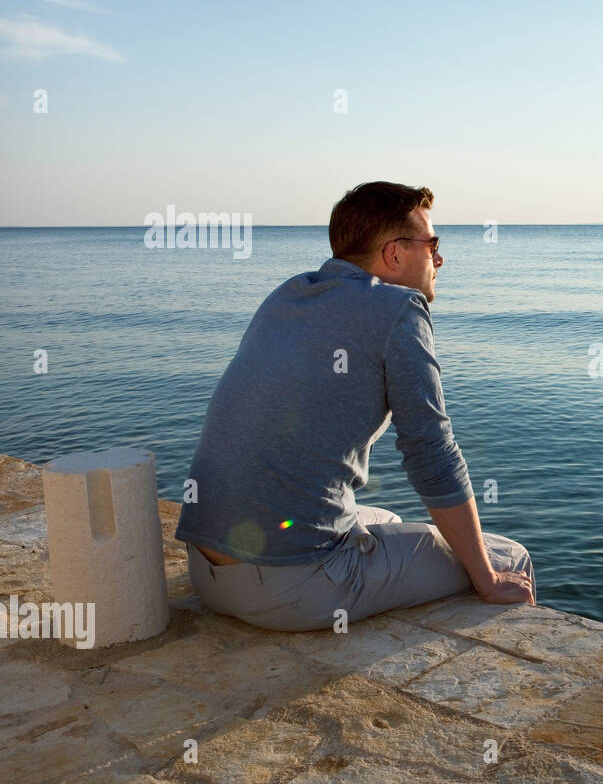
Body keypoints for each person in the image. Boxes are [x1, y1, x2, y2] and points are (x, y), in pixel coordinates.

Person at [174, 181, 534, 631]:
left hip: (209, 571)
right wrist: (488, 580)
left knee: (385, 518)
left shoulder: (288, 294)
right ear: (395, 254)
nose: (439, 259)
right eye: (432, 245)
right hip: (293, 587)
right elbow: (431, 455)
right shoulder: (400, 308)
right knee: (507, 557)